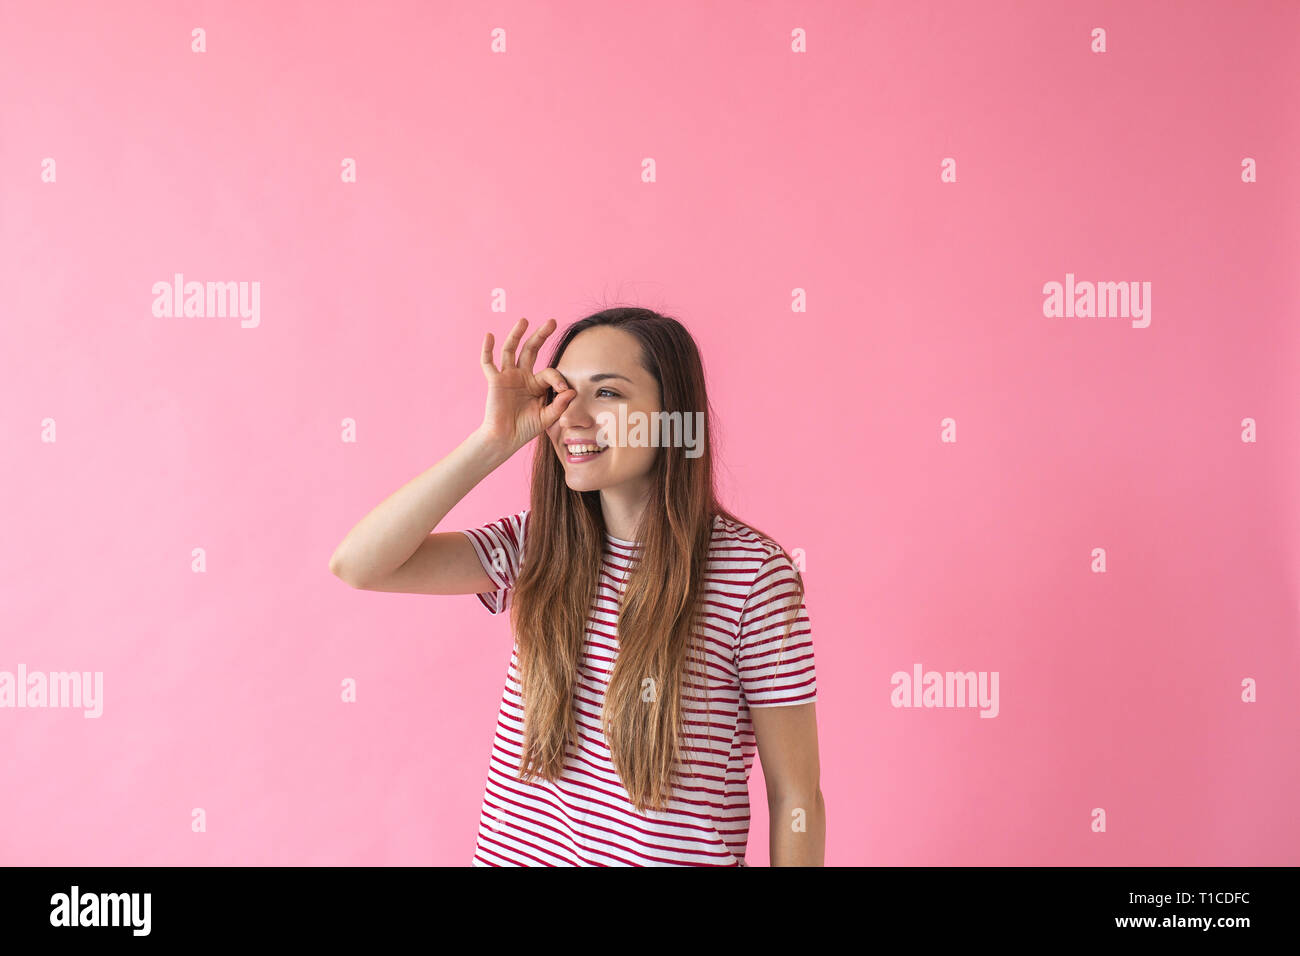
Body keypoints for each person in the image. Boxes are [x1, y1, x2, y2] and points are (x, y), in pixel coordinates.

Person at [329, 307, 824, 866]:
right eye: (562, 395)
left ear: (672, 418)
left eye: (608, 394)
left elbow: (796, 797)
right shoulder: (537, 544)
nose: (573, 418)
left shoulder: (752, 575)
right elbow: (360, 564)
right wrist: (493, 440)